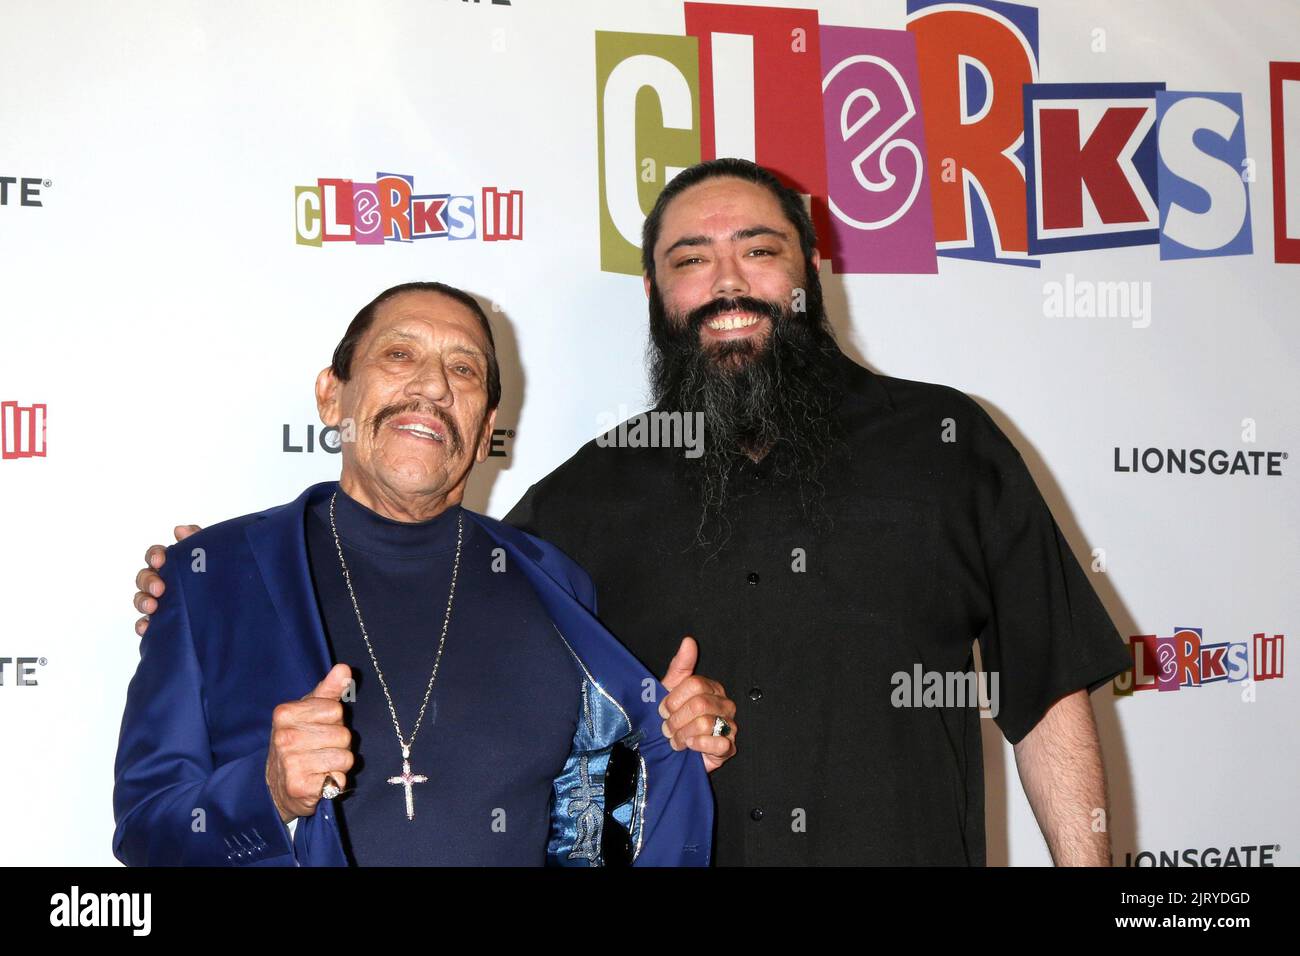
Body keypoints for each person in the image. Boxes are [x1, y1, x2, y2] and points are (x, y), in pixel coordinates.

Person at [134, 159, 1133, 866]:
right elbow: (417, 561)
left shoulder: (948, 445)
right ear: (659, 294)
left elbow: (1042, 686)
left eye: (759, 248)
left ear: (809, 273)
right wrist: (217, 588)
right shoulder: (581, 502)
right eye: (691, 258)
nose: (727, 281)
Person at [114, 281, 733, 867]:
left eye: (463, 370)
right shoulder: (211, 576)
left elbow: (591, 818)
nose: (433, 385)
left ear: (487, 428)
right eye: (400, 353)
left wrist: (674, 742)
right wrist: (268, 793)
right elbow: (145, 827)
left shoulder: (556, 585)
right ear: (333, 395)